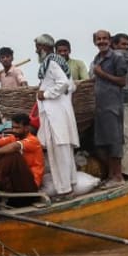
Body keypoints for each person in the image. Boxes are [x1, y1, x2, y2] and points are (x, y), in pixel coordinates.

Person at [33, 34, 80, 199]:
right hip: (60, 112)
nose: (36, 50)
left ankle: (65, 190)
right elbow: (71, 86)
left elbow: (65, 84)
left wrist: (45, 94)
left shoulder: (51, 63)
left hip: (55, 115)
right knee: (64, 150)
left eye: (37, 47)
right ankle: (71, 184)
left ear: (43, 47)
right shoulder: (61, 62)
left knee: (59, 151)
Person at [0, 113, 44, 204]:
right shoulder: (13, 137)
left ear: (26, 128)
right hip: (15, 183)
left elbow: (14, 147)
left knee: (13, 156)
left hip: (30, 186)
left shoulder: (33, 141)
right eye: (13, 127)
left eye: (17, 128)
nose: (14, 130)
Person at [91, 31, 128, 189]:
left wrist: (102, 74)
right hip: (100, 106)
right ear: (95, 42)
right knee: (103, 142)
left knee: (114, 141)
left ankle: (118, 177)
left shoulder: (117, 57)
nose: (102, 41)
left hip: (113, 105)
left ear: (110, 40)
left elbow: (122, 81)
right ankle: (111, 176)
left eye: (104, 38)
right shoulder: (97, 59)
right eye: (99, 39)